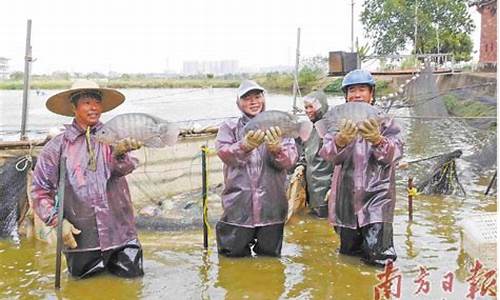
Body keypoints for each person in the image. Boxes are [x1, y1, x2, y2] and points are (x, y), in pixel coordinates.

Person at [31, 80, 144, 279]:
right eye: (86, 102)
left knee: (132, 287)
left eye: (97, 102)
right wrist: (58, 221)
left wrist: (119, 154)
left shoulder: (115, 138)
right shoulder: (57, 147)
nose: (94, 107)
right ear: (74, 107)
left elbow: (126, 168)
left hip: (122, 235)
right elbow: (40, 191)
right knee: (82, 289)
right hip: (81, 239)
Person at [319, 69, 403, 266]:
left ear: (371, 94)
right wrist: (340, 141)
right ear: (346, 96)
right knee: (348, 257)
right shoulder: (338, 120)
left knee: (379, 257)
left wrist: (378, 140)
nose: (356, 95)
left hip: (377, 196)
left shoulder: (385, 120)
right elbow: (328, 155)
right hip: (345, 199)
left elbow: (396, 152)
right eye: (351, 90)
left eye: (362, 89)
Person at [215, 80, 298, 257]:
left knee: (270, 263)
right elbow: (223, 153)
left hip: (272, 207)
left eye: (257, 96)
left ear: (263, 99)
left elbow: (290, 161)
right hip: (238, 206)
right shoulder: (229, 127)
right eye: (247, 98)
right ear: (238, 103)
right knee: (232, 261)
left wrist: (277, 150)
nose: (253, 102)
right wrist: (243, 146)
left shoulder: (279, 123)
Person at [300, 91, 333, 218]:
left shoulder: (330, 127)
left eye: (311, 107)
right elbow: (306, 152)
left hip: (324, 193)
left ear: (321, 106)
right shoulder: (311, 127)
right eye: (306, 107)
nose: (308, 111)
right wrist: (300, 165)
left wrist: (332, 188)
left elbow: (338, 161)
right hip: (312, 191)